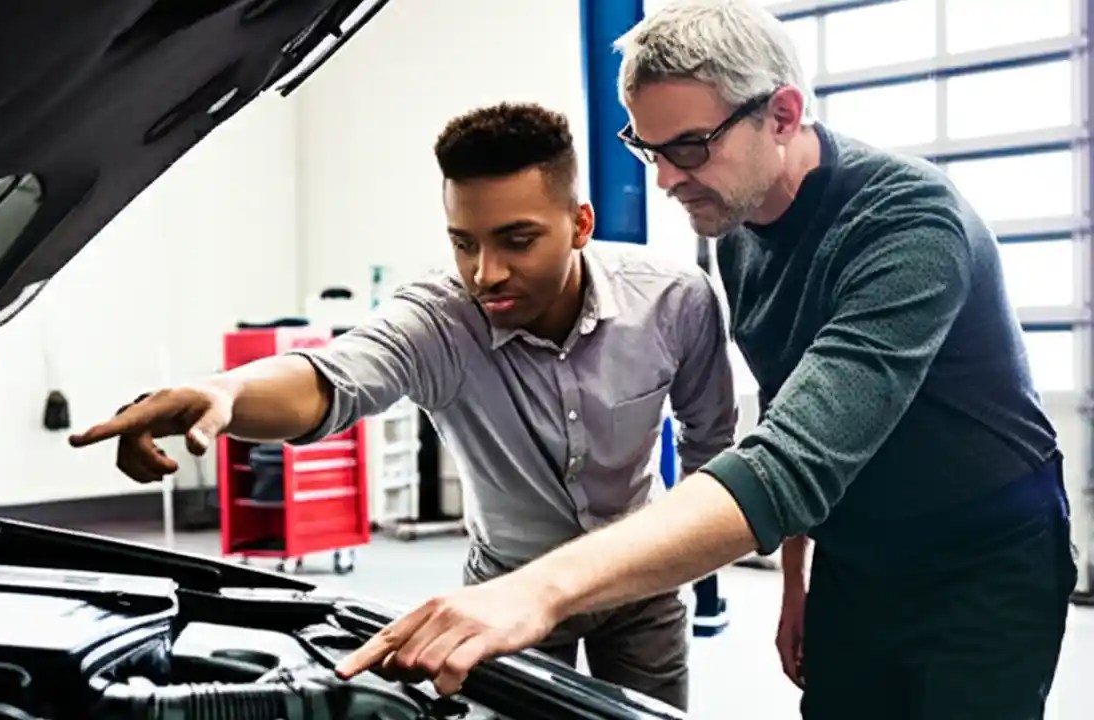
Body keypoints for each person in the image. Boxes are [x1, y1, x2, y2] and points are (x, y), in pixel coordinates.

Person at [331, 2, 1078, 717]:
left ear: (781, 115)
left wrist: (541, 590)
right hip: (857, 554)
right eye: (647, 149)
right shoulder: (737, 235)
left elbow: (797, 457)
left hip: (981, 555)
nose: (664, 178)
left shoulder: (909, 226)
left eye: (689, 147)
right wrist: (798, 579)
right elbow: (792, 406)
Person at [69, 102, 738, 712]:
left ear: (580, 224)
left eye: (517, 239)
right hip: (504, 589)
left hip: (637, 586)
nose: (486, 273)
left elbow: (712, 437)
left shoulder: (675, 301)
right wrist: (227, 391)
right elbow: (332, 378)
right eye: (464, 242)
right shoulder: (440, 321)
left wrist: (696, 568)